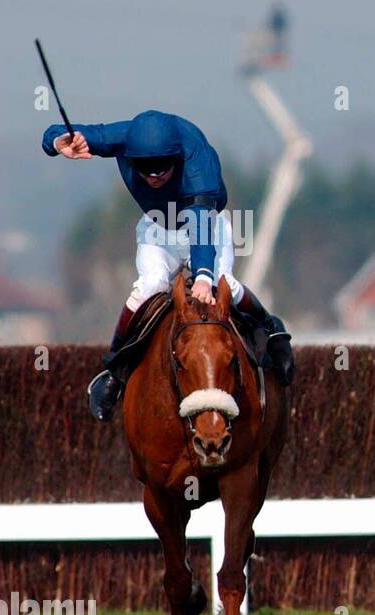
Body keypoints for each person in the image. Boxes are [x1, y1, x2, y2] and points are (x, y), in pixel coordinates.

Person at [42, 109, 294, 421]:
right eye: (145, 168)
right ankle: (114, 372)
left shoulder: (197, 159)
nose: (155, 175)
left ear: (177, 156)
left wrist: (203, 275)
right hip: (157, 228)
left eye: (163, 167)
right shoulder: (122, 136)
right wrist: (56, 142)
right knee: (149, 287)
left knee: (222, 283)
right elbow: (60, 130)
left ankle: (270, 327)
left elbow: (201, 227)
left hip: (205, 225)